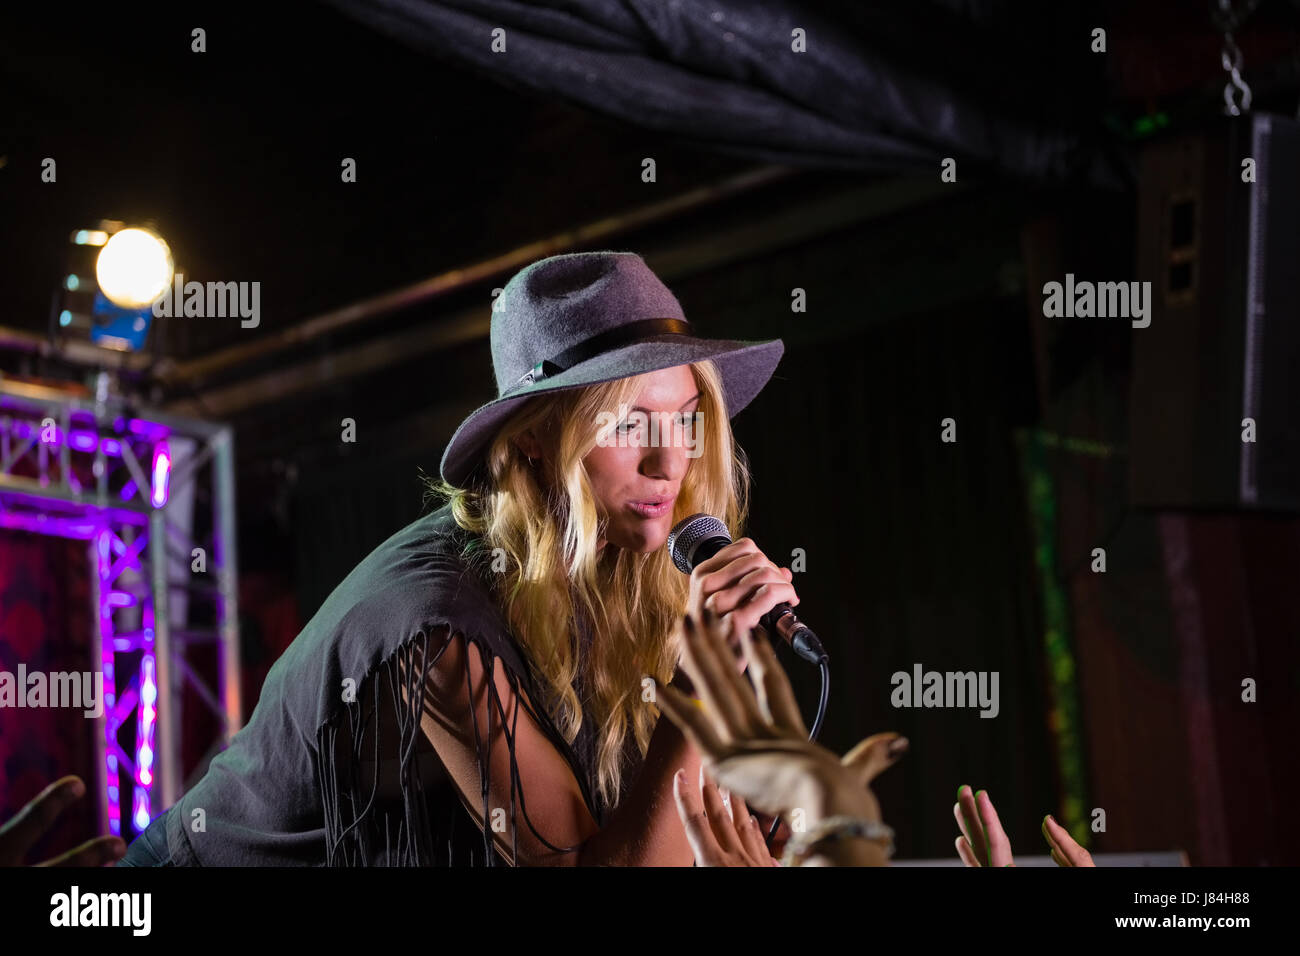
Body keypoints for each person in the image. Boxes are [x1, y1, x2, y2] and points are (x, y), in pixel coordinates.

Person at [118, 250, 793, 866]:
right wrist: (700, 685)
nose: (669, 460)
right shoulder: (437, 623)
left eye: (684, 417)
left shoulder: (616, 578)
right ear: (534, 436)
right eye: (625, 423)